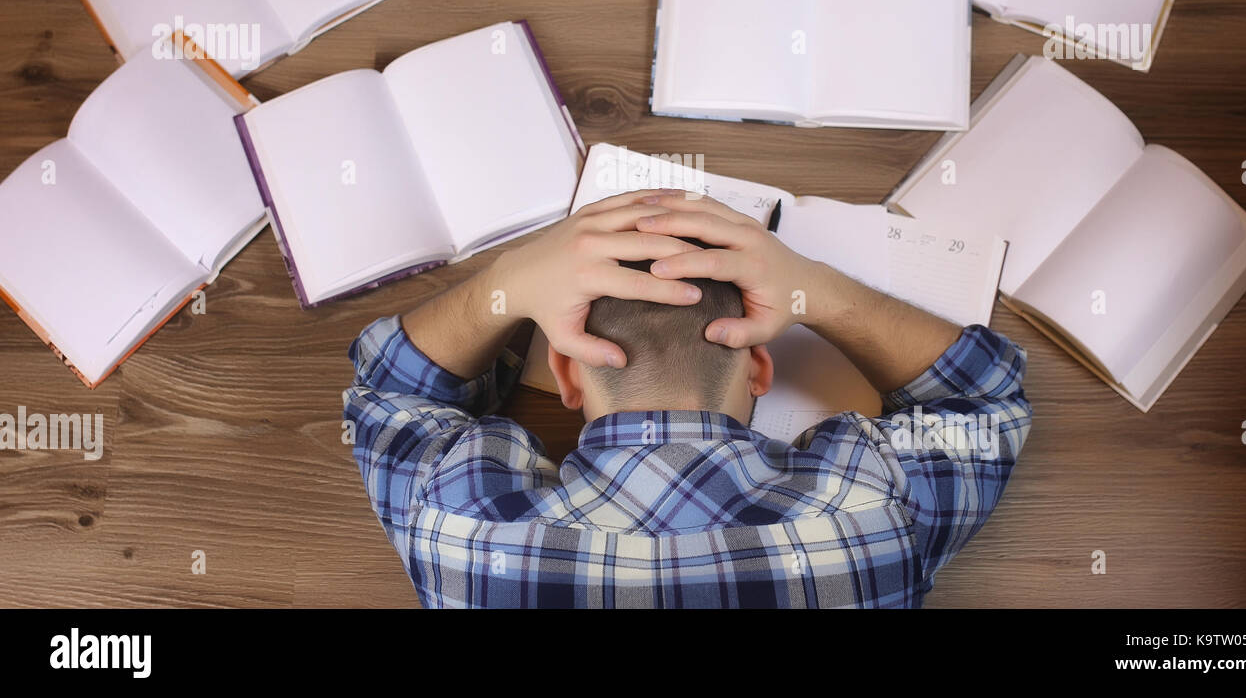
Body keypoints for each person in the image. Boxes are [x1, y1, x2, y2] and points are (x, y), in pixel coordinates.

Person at [343, 188, 1031, 607]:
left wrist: (508, 279)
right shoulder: (873, 515)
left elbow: (389, 386)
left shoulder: (458, 527)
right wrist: (816, 287)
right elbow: (981, 401)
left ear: (565, 372)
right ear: (760, 366)